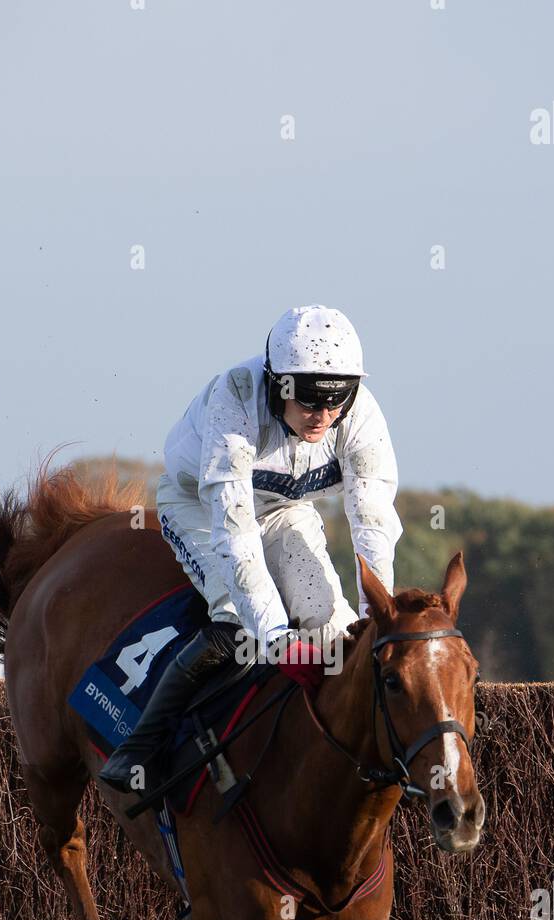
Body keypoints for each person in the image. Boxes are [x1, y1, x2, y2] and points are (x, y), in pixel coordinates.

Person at [100, 304, 402, 793]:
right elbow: (236, 533)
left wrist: (378, 618)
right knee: (241, 625)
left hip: (285, 508)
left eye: (336, 400)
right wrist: (278, 638)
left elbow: (372, 524)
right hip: (202, 506)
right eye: (306, 400)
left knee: (334, 626)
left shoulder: (360, 415)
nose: (322, 416)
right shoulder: (237, 396)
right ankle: (141, 748)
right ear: (276, 382)